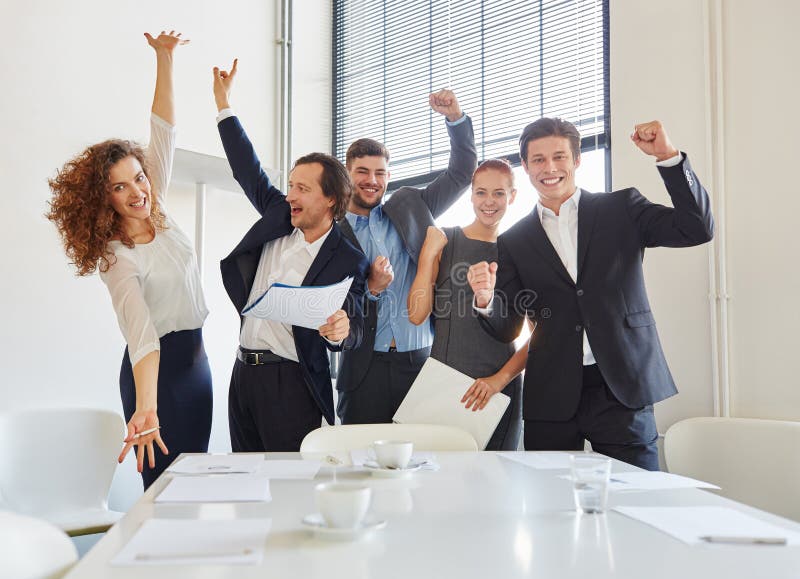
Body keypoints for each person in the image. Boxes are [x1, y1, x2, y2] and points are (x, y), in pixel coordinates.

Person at [468, 118, 714, 470]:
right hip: (551, 392)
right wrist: (485, 299)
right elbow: (507, 327)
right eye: (538, 160)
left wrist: (668, 156)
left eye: (558, 157)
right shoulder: (513, 241)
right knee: (551, 507)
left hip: (621, 386)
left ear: (576, 160)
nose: (549, 168)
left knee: (637, 501)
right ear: (525, 167)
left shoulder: (622, 208)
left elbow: (697, 228)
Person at [46, 31, 211, 489]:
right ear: (104, 199)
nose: (137, 191)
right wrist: (147, 406)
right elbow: (143, 340)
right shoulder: (117, 258)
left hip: (199, 365)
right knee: (164, 495)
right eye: (120, 187)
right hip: (158, 376)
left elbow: (164, 131)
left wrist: (165, 58)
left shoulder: (155, 205)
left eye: (138, 178)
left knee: (194, 485)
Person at [213, 60, 369, 451]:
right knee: (249, 482)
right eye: (290, 186)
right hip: (242, 374)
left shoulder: (349, 259)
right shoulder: (279, 216)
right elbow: (246, 169)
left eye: (302, 188)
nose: (291, 196)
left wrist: (342, 330)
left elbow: (357, 325)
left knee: (288, 488)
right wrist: (223, 103)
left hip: (291, 383)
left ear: (330, 199)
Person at [335, 90, 477, 424]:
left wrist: (455, 118)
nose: (372, 181)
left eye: (380, 173)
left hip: (419, 362)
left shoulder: (413, 206)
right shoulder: (332, 232)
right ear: (347, 173)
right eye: (363, 171)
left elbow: (461, 172)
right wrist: (370, 288)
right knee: (361, 464)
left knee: (424, 462)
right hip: (363, 368)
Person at [406, 159, 527, 450]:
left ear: (512, 196)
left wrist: (498, 381)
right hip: (443, 383)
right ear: (471, 195)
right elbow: (416, 314)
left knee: (494, 483)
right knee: (440, 484)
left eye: (499, 193)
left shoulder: (523, 250)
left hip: (497, 388)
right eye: (481, 192)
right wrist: (427, 257)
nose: (489, 202)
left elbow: (539, 334)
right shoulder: (445, 239)